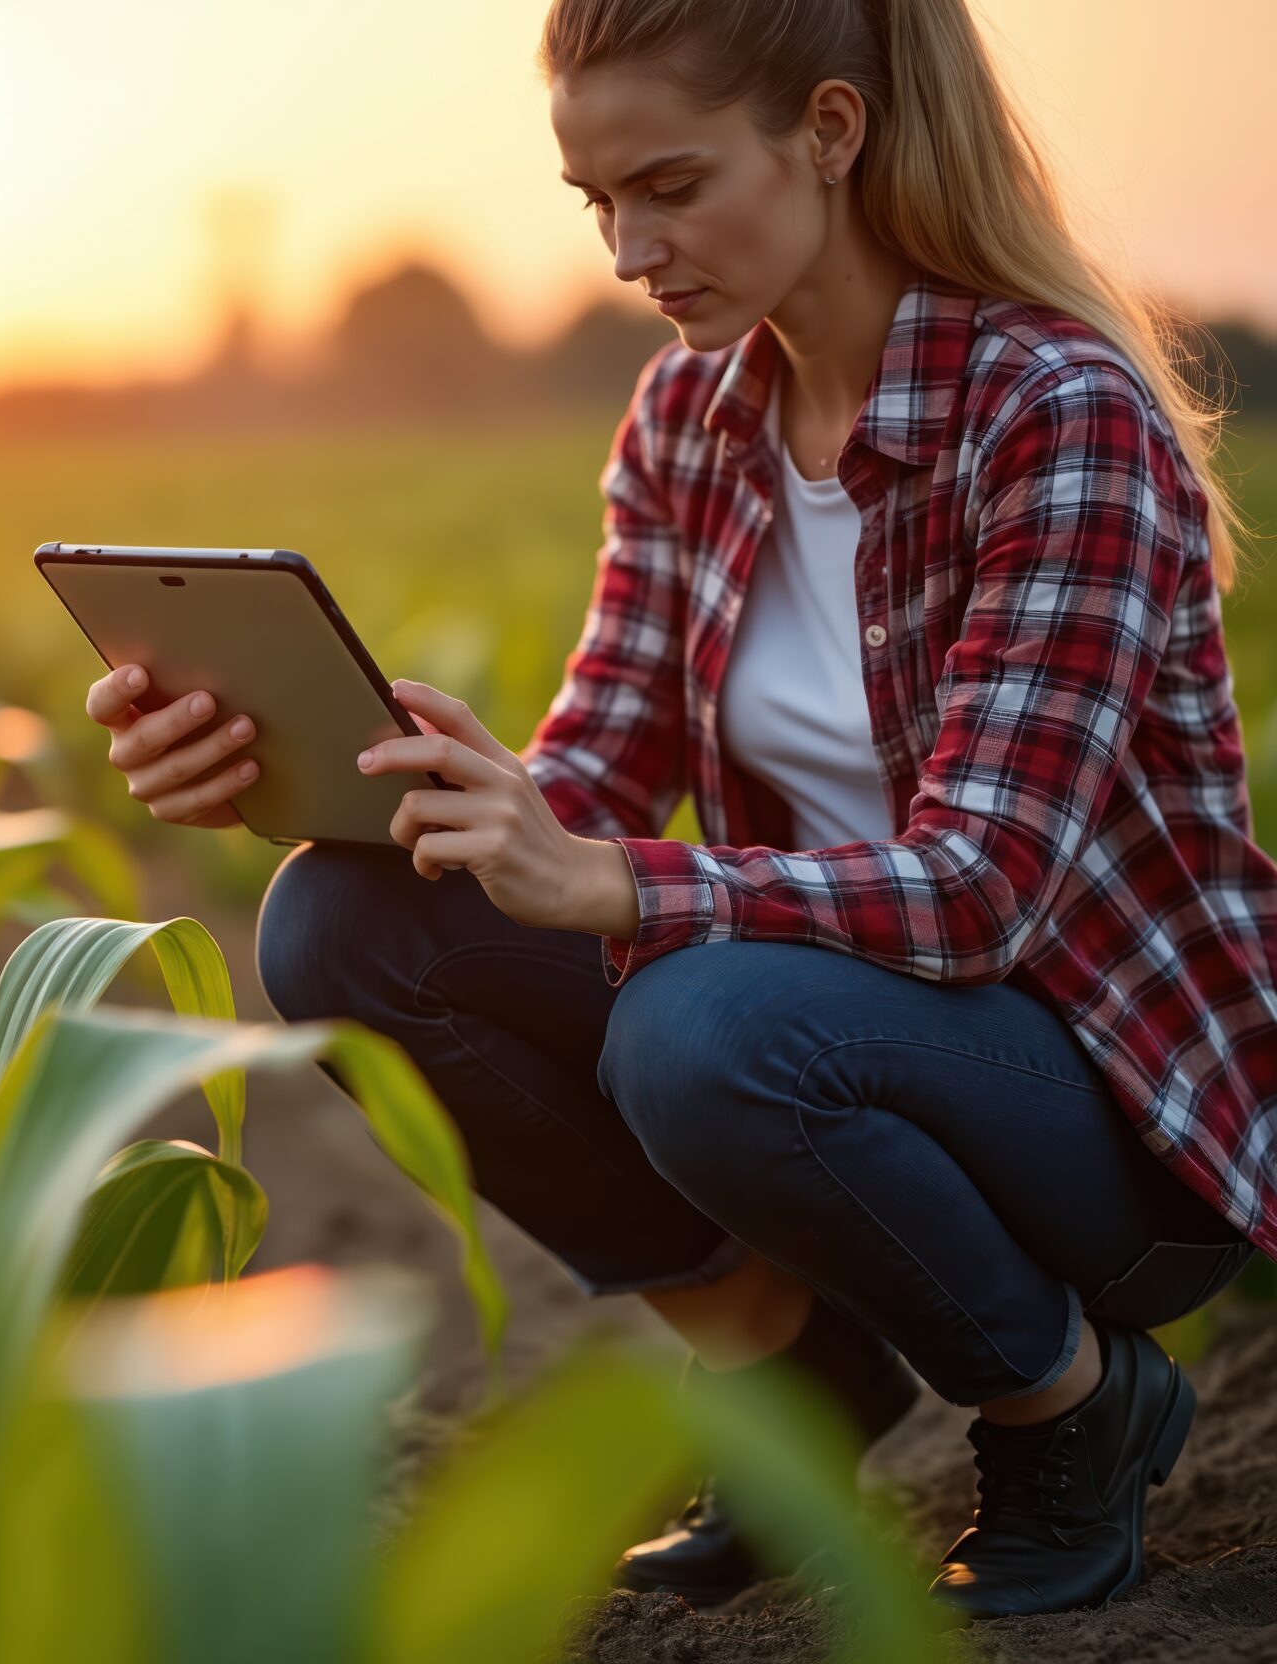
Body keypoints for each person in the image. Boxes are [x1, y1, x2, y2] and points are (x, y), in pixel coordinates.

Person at [80, 0, 1275, 1624]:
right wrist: (342, 783)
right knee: (342, 924)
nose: (629, 251)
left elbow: (983, 892)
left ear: (832, 133)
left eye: (672, 187)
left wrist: (622, 887)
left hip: (1103, 1107)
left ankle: (1068, 1409)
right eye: (597, 202)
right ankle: (796, 1373)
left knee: (696, 1023)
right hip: (825, 1031)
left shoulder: (1057, 414)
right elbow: (589, 775)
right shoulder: (688, 420)